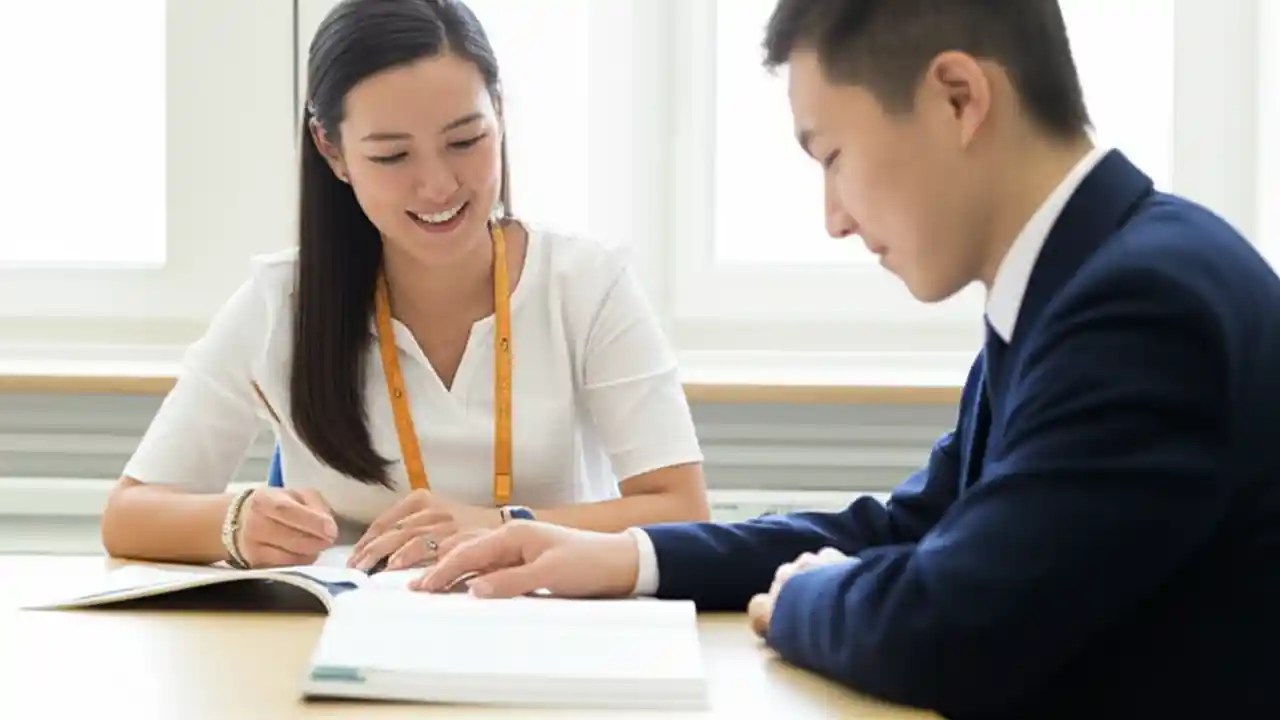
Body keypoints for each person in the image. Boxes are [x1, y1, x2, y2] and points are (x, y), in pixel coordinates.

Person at [417, 0, 1280, 717]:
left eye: (832, 156)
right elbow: (910, 529)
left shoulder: (1140, 307)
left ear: (957, 98)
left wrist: (805, 597)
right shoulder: (1079, 280)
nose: (833, 218)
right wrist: (631, 557)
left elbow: (950, 631)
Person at [100, 0, 709, 573]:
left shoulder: (586, 284)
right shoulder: (281, 303)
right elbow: (128, 515)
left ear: (499, 114)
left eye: (465, 141)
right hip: (350, 630)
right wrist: (235, 523)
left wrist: (500, 526)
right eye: (393, 156)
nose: (438, 185)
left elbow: (681, 509)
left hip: (551, 624)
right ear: (333, 152)